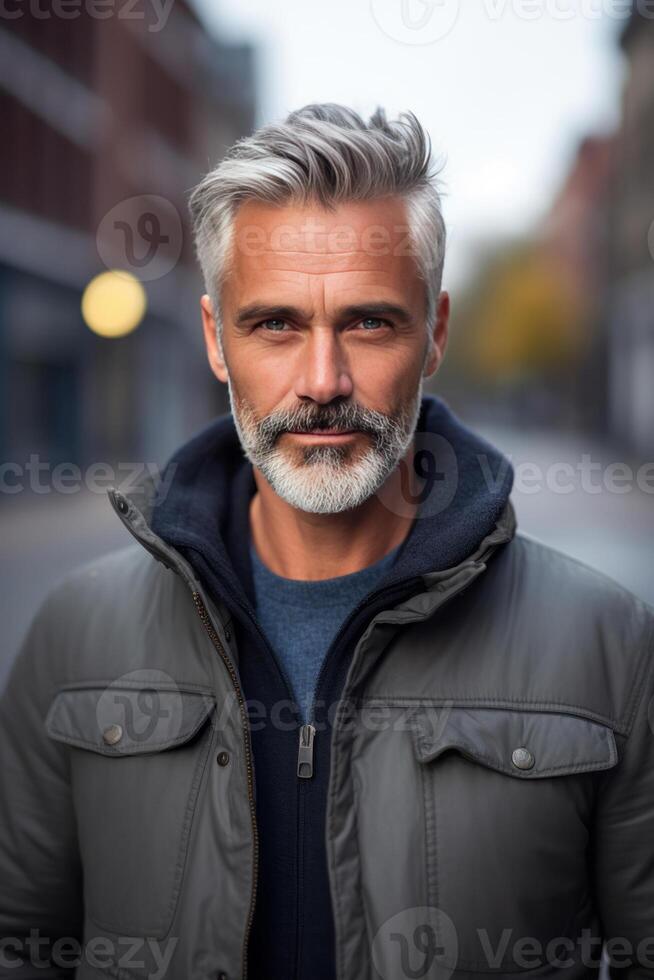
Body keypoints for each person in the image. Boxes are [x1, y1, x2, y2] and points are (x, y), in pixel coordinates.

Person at [1, 103, 653, 980]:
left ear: (436, 333)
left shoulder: (607, 645)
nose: (322, 382)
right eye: (275, 324)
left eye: (369, 322)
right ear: (214, 341)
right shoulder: (76, 633)